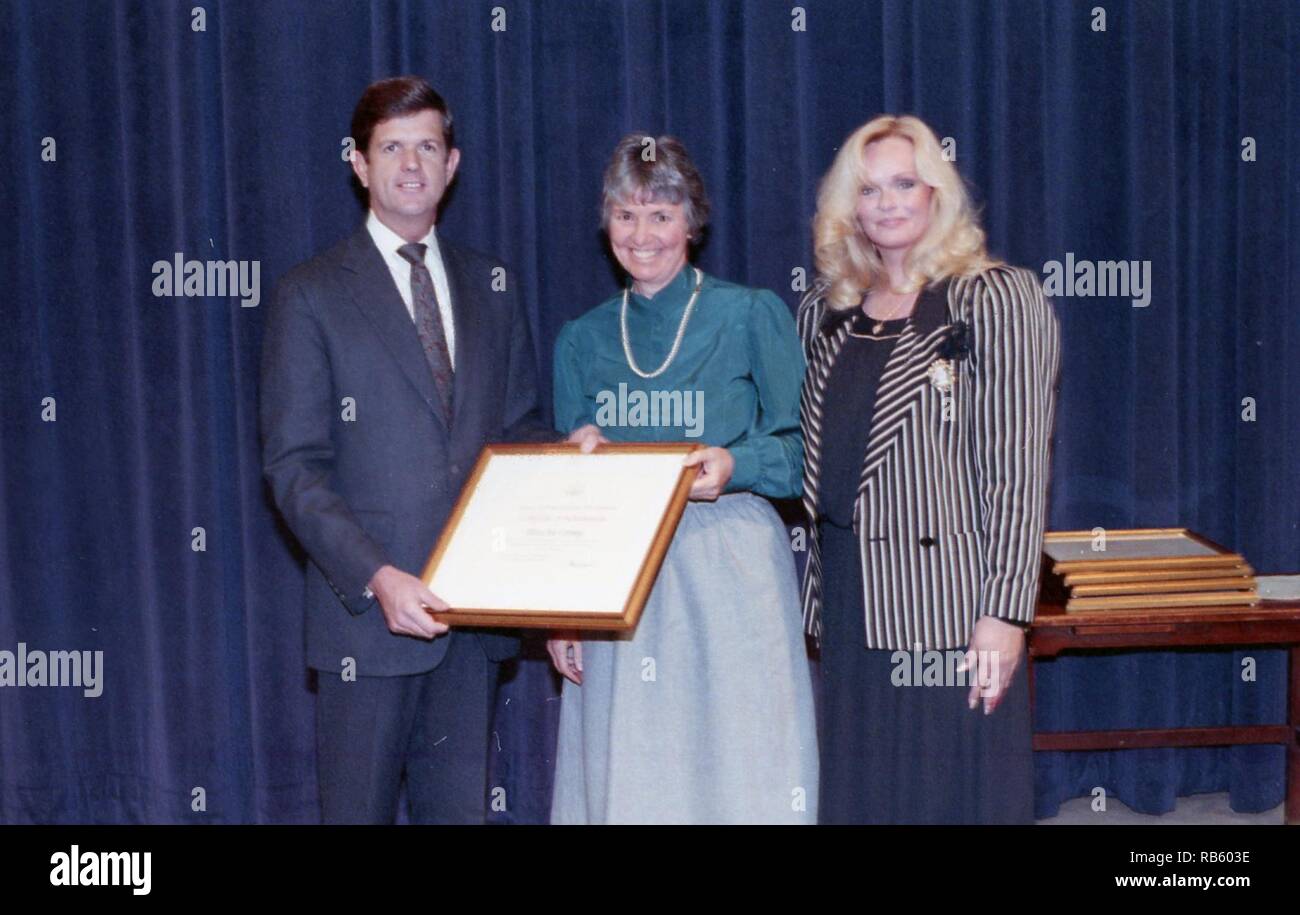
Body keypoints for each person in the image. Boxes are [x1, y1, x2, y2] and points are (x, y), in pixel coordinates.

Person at [260, 76, 551, 824]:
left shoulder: (495, 285)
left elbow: (518, 434)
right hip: (366, 625)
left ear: (453, 163)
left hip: (471, 626)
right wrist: (378, 576)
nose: (411, 163)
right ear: (358, 163)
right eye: (391, 146)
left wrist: (571, 466)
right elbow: (294, 467)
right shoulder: (310, 294)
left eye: (428, 145)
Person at [546, 134, 818, 824]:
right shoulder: (580, 339)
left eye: (661, 214)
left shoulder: (751, 313)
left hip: (730, 563)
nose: (643, 235)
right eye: (627, 215)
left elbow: (800, 457)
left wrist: (734, 466)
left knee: (744, 762)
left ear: (692, 223)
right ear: (606, 223)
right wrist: (563, 613)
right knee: (631, 771)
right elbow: (569, 501)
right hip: (620, 573)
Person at [798, 115, 1060, 824]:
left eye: (903, 183)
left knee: (950, 795)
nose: (886, 202)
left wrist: (1004, 613)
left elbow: (1017, 466)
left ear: (937, 193)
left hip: (949, 601)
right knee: (865, 793)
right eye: (868, 187)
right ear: (846, 206)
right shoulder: (826, 313)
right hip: (850, 594)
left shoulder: (993, 296)